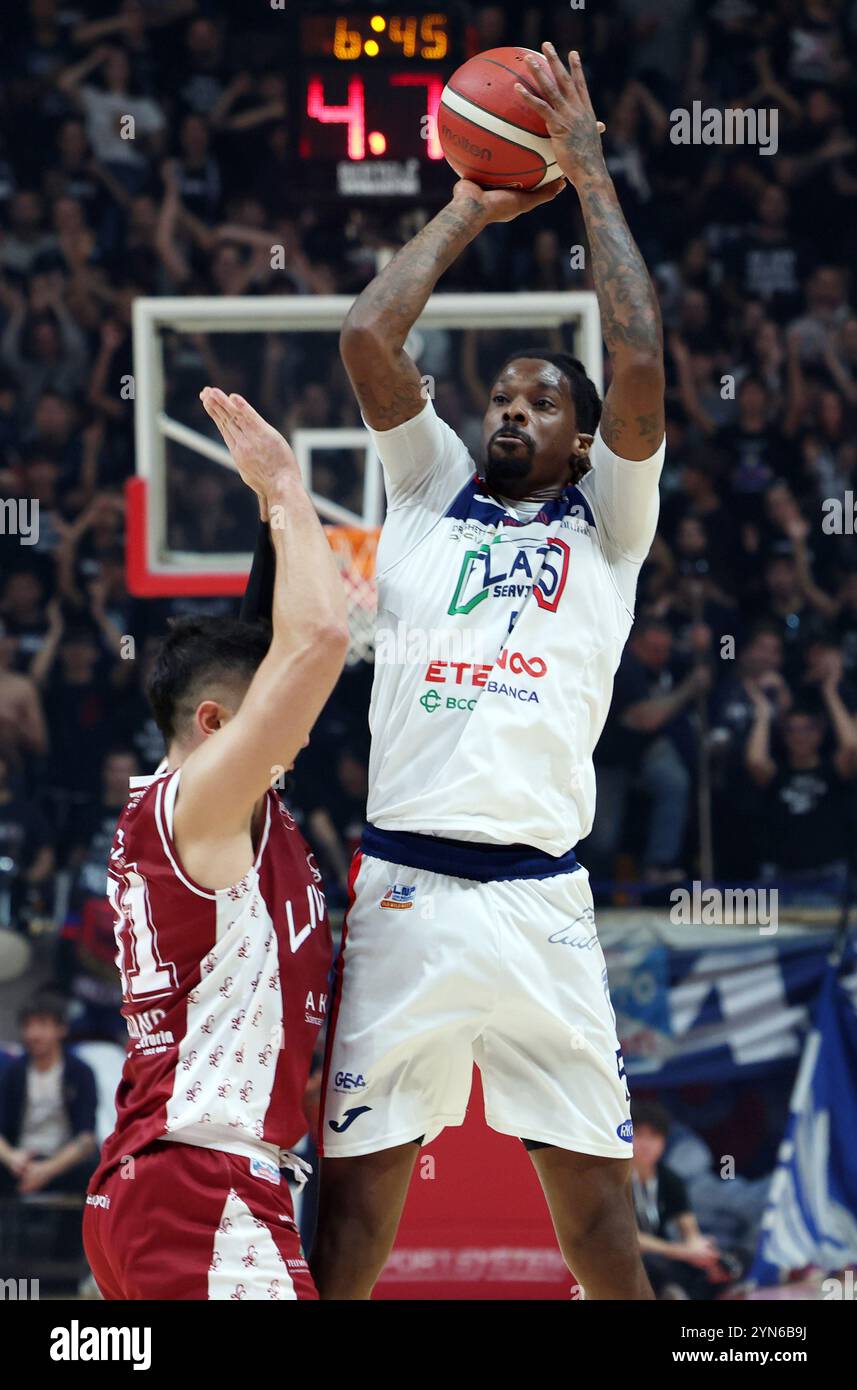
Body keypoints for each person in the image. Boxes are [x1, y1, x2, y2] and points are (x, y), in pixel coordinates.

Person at [313, 45, 665, 1300]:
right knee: (351, 1220)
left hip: (540, 910)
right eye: (498, 399)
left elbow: (635, 372)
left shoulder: (607, 526)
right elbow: (366, 333)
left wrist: (587, 177)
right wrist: (470, 197)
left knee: (600, 1235)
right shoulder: (424, 491)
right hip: (401, 887)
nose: (509, 413)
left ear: (582, 444)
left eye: (537, 405)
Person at [82, 389, 349, 1300]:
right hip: (206, 1189)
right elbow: (316, 638)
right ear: (213, 722)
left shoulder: (203, 811)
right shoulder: (201, 803)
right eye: (274, 724)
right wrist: (285, 489)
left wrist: (270, 517)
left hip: (167, 1186)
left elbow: (273, 639)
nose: (300, 735)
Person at [631, 1101, 729, 1301]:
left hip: (661, 1255)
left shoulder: (669, 1179)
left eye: (654, 1137)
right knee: (648, 1267)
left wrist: (702, 1252)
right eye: (639, 1135)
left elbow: (689, 1229)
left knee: (717, 1266)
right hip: (627, 1257)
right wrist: (680, 1251)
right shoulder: (615, 1179)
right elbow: (625, 1237)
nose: (646, 1144)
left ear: (664, 1142)